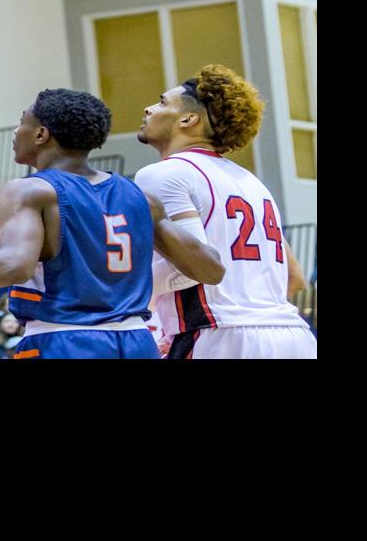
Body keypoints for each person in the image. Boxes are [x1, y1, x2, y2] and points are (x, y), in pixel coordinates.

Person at [0, 89, 225, 360]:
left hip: (65, 340)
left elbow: (13, 266)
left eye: (22, 123)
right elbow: (211, 269)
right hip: (137, 341)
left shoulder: (32, 190)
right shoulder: (139, 196)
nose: (16, 132)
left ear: (42, 134)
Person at [133, 64, 317, 359]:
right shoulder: (252, 183)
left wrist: (119, 287)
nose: (149, 109)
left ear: (188, 119)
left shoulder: (163, 173)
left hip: (220, 333)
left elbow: (190, 270)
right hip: (293, 336)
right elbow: (294, 277)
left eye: (162, 102)